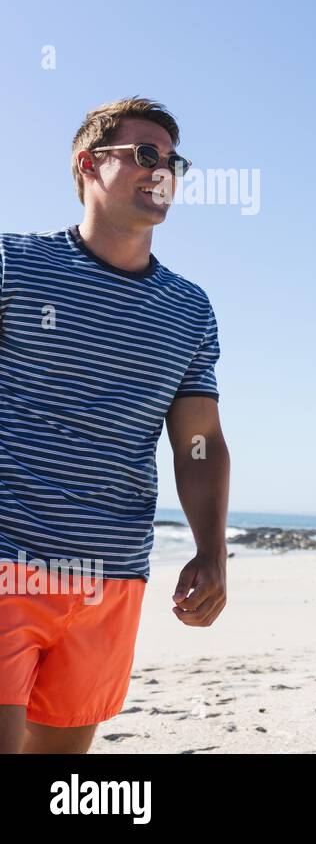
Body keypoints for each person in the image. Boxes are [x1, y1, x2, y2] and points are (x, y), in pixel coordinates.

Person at [0, 97, 230, 754]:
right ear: (88, 164)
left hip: (113, 577)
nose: (162, 171)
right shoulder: (14, 263)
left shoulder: (189, 309)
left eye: (173, 161)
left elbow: (200, 440)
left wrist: (211, 549)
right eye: (145, 155)